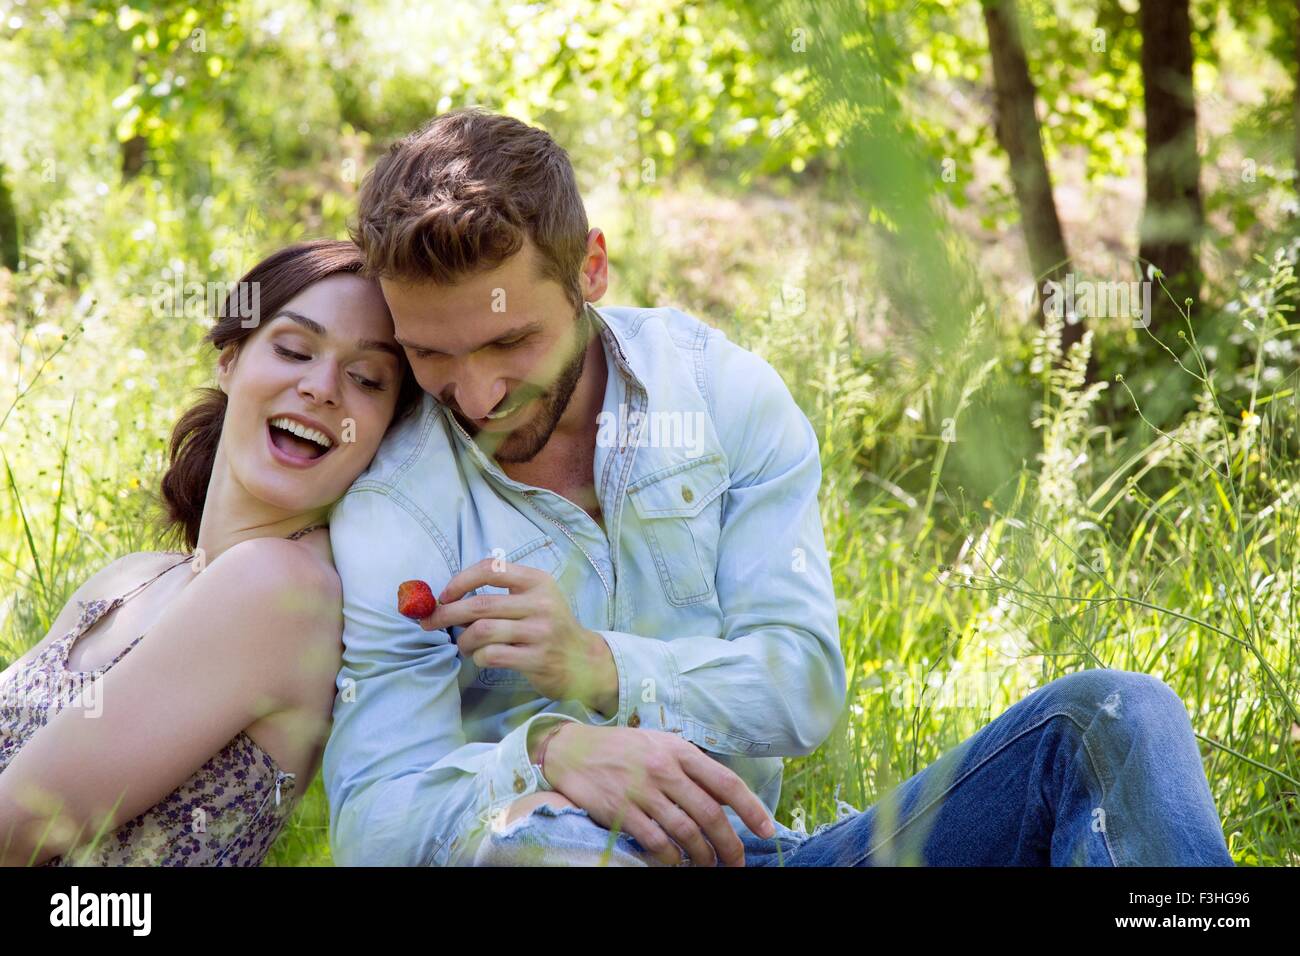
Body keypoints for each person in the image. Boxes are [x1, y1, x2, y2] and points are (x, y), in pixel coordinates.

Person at [322, 108, 1235, 867]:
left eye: (511, 343)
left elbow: (802, 686)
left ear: (591, 269)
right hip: (551, 852)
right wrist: (545, 755)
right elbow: (372, 822)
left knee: (1116, 717)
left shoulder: (723, 395)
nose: (475, 395)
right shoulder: (393, 503)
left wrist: (601, 666)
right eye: (430, 353)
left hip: (764, 856)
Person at [0, 240, 422, 866]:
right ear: (230, 360)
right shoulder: (131, 581)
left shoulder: (284, 589)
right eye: (293, 350)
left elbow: (21, 823)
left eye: (366, 379)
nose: (321, 388)